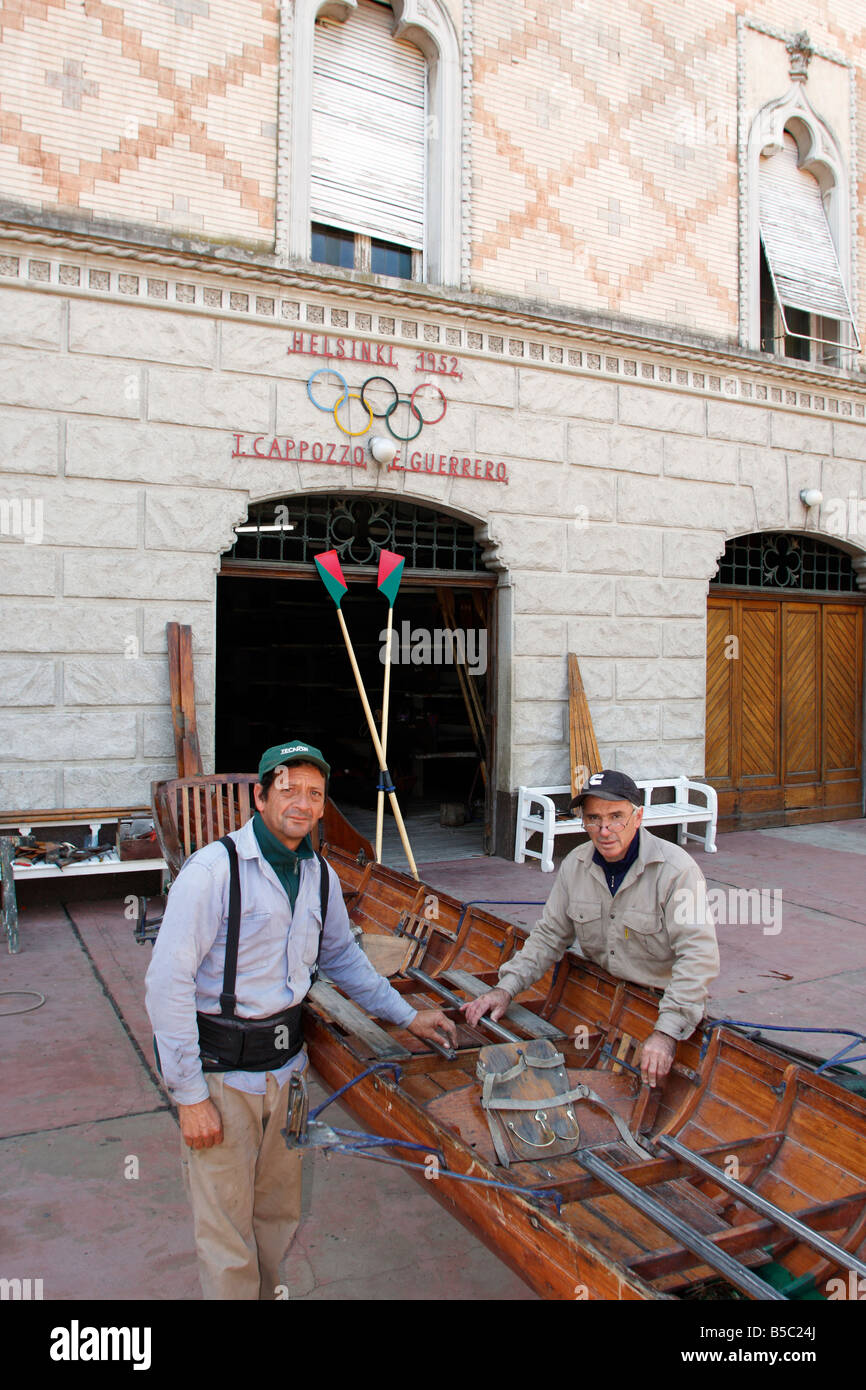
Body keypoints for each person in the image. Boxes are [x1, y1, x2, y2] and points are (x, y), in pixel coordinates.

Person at [145, 739, 457, 1300]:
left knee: (276, 1218)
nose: (303, 803)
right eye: (289, 789)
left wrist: (407, 1015)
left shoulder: (318, 873)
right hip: (223, 1079)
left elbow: (343, 959)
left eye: (315, 794)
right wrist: (189, 1097)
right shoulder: (213, 872)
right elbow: (166, 985)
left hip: (287, 1072)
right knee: (226, 1235)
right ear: (261, 797)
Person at [462, 769, 719, 1087]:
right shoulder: (575, 864)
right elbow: (549, 936)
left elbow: (699, 956)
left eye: (616, 817)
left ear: (638, 817)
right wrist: (505, 989)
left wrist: (666, 1032)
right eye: (593, 818)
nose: (604, 830)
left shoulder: (677, 871)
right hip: (601, 997)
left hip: (660, 1005)